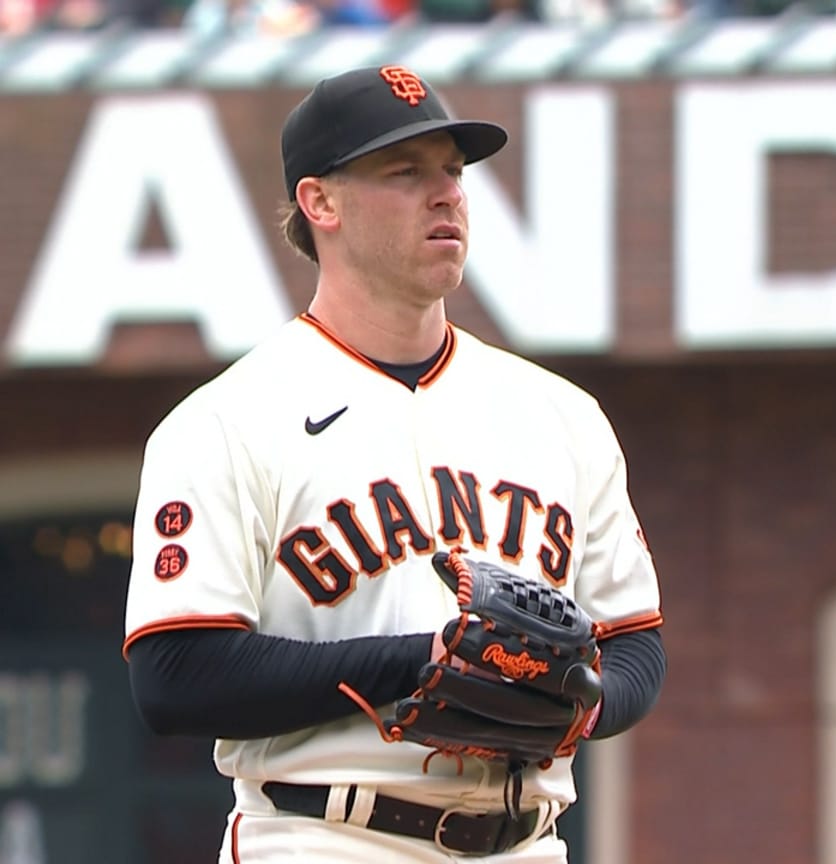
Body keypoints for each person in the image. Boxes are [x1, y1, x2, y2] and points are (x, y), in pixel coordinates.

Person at [122, 65, 666, 863]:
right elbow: (175, 673)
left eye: (452, 169)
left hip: (527, 842)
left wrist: (578, 705)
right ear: (321, 202)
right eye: (404, 172)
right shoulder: (225, 422)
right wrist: (421, 662)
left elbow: (636, 644)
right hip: (326, 836)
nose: (446, 193)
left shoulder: (561, 415)